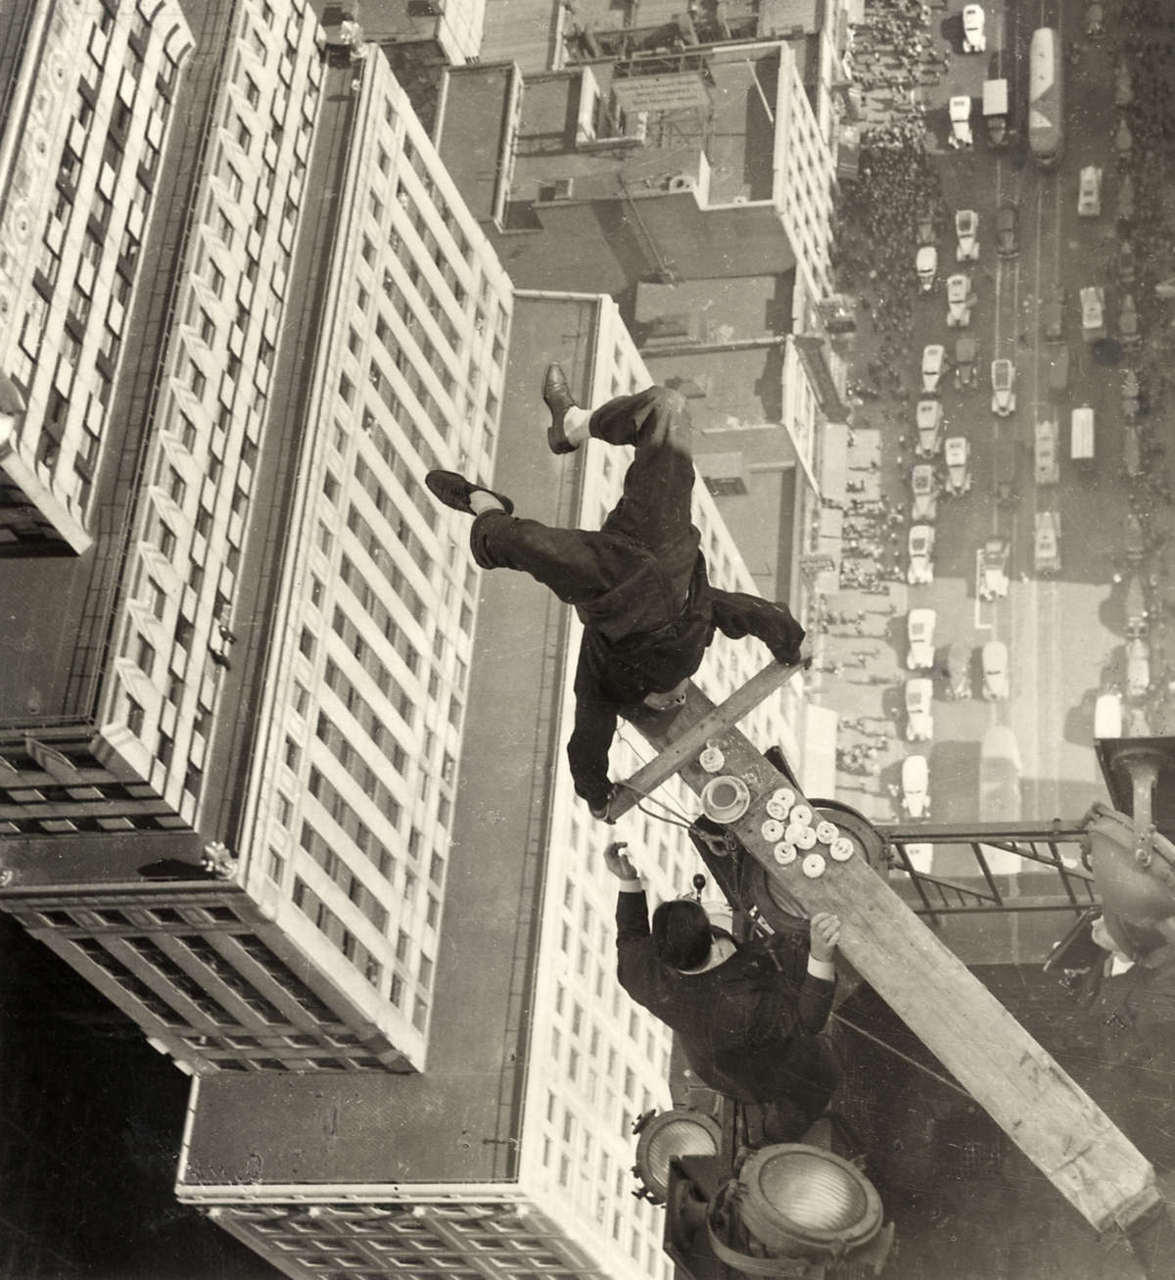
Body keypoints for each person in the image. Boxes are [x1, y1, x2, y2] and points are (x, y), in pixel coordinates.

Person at [425, 369, 806, 819]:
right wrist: (791, 642)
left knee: (522, 543)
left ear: (641, 702)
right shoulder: (698, 634)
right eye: (681, 700)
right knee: (664, 408)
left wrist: (597, 794)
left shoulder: (605, 681)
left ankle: (482, 504)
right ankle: (571, 425)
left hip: (609, 581)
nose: (676, 698)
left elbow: (587, 739)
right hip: (662, 538)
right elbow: (748, 613)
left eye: (666, 706)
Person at [605, 841, 842, 1136]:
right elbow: (809, 1020)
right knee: (822, 1075)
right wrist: (821, 956)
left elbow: (630, 935)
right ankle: (776, 1133)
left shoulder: (639, 972)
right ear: (711, 938)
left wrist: (628, 880)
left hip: (712, 1061)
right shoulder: (742, 1007)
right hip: (757, 1073)